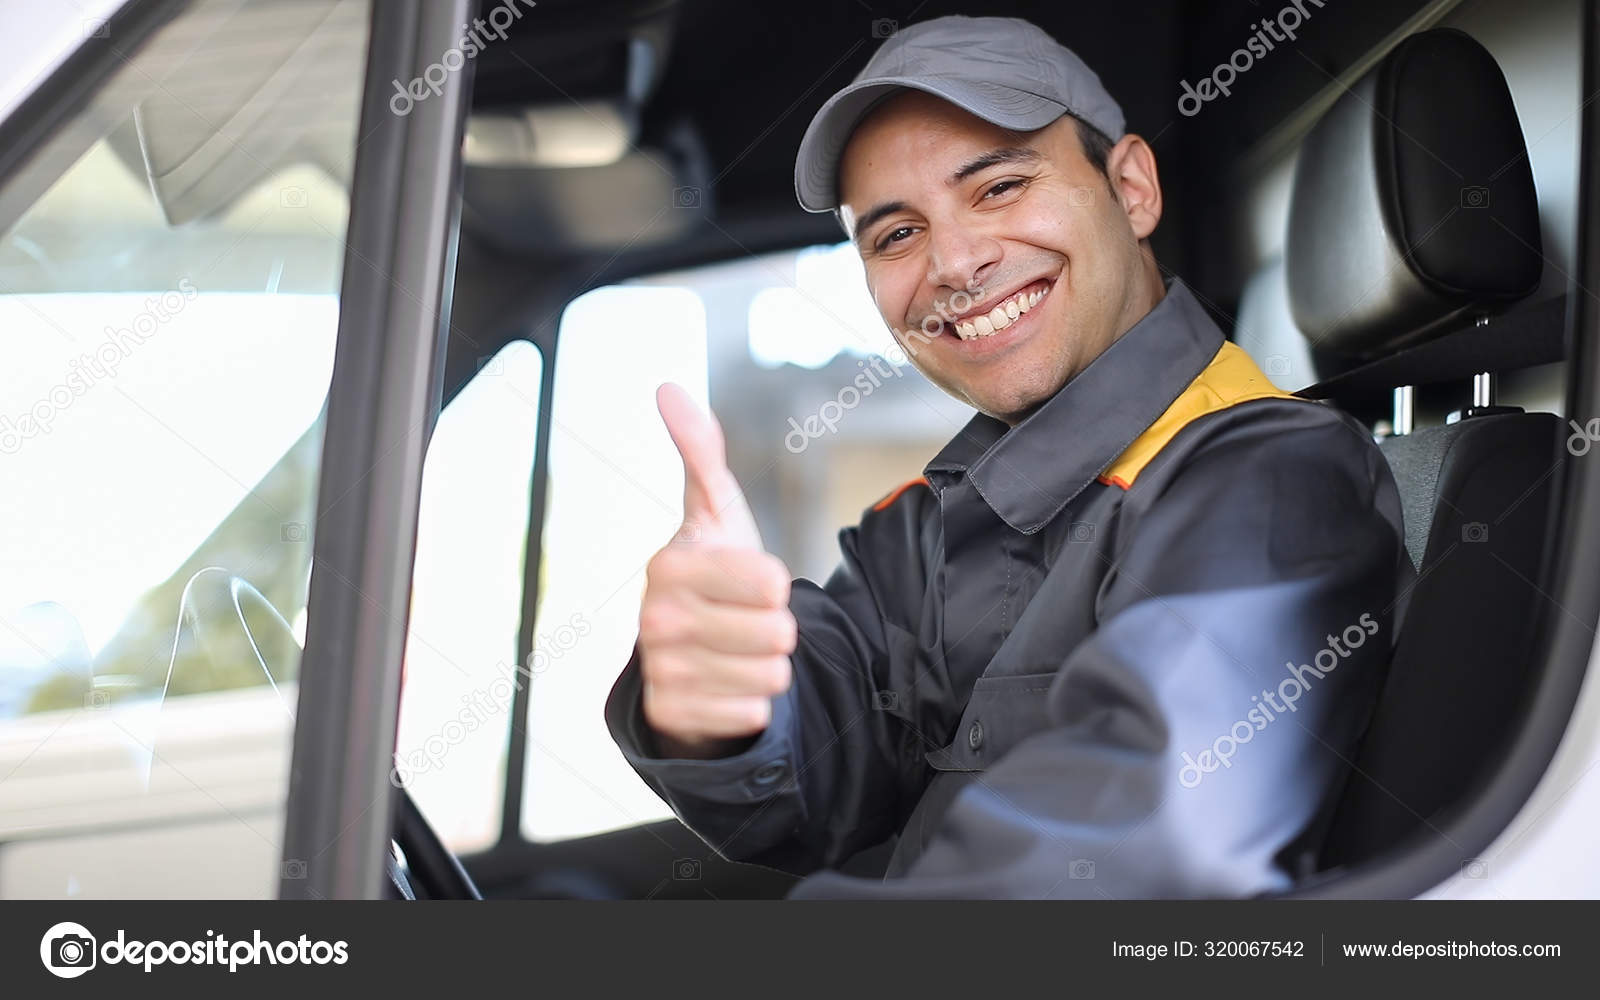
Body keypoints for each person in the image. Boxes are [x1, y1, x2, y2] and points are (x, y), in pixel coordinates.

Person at [604, 14, 1414, 898]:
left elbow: (1127, 864)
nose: (953, 263)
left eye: (998, 187)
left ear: (1132, 187)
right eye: (896, 235)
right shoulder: (937, 517)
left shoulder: (1263, 481)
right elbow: (821, 765)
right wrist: (715, 708)